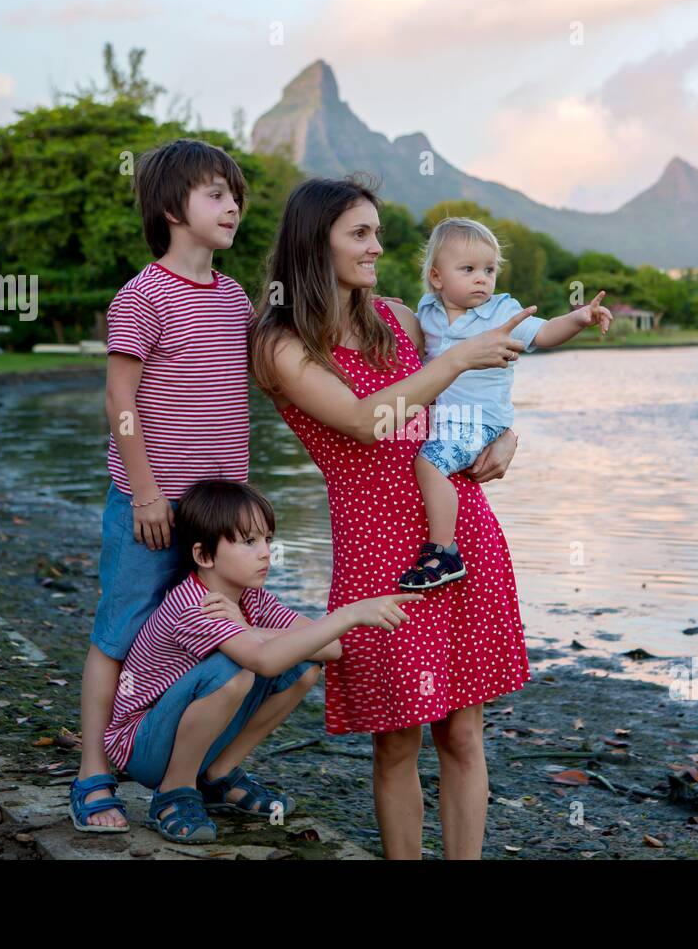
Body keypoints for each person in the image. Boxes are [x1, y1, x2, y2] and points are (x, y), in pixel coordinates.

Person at [249, 174, 530, 859]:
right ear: (319, 242)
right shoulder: (282, 345)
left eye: (377, 232)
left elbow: (469, 396)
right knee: (398, 737)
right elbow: (367, 421)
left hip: (460, 533)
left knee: (464, 732)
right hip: (380, 553)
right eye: (361, 234)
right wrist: (463, 351)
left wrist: (506, 436)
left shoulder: (402, 320)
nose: (377, 247)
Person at [70, 138, 258, 833]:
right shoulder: (144, 294)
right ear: (171, 208)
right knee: (120, 634)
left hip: (219, 516)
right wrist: (146, 494)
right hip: (151, 506)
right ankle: (94, 769)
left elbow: (268, 367)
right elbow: (119, 395)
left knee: (214, 638)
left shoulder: (235, 296)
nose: (232, 204)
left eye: (234, 194)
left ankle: (197, 770)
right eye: (215, 193)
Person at [103, 479, 421, 842]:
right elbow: (264, 661)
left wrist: (247, 627)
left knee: (303, 666)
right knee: (233, 671)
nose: (266, 553)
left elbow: (330, 650)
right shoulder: (195, 604)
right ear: (204, 556)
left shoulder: (251, 598)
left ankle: (217, 777)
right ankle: (174, 791)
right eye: (249, 542)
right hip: (143, 744)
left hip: (192, 736)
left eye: (268, 540)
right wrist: (350, 614)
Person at [400, 217, 612, 590]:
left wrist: (580, 318)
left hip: (480, 421)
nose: (482, 278)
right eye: (468, 269)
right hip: (445, 420)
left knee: (429, 464)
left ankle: (444, 552)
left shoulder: (501, 312)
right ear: (436, 277)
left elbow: (544, 332)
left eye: (489, 269)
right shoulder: (428, 313)